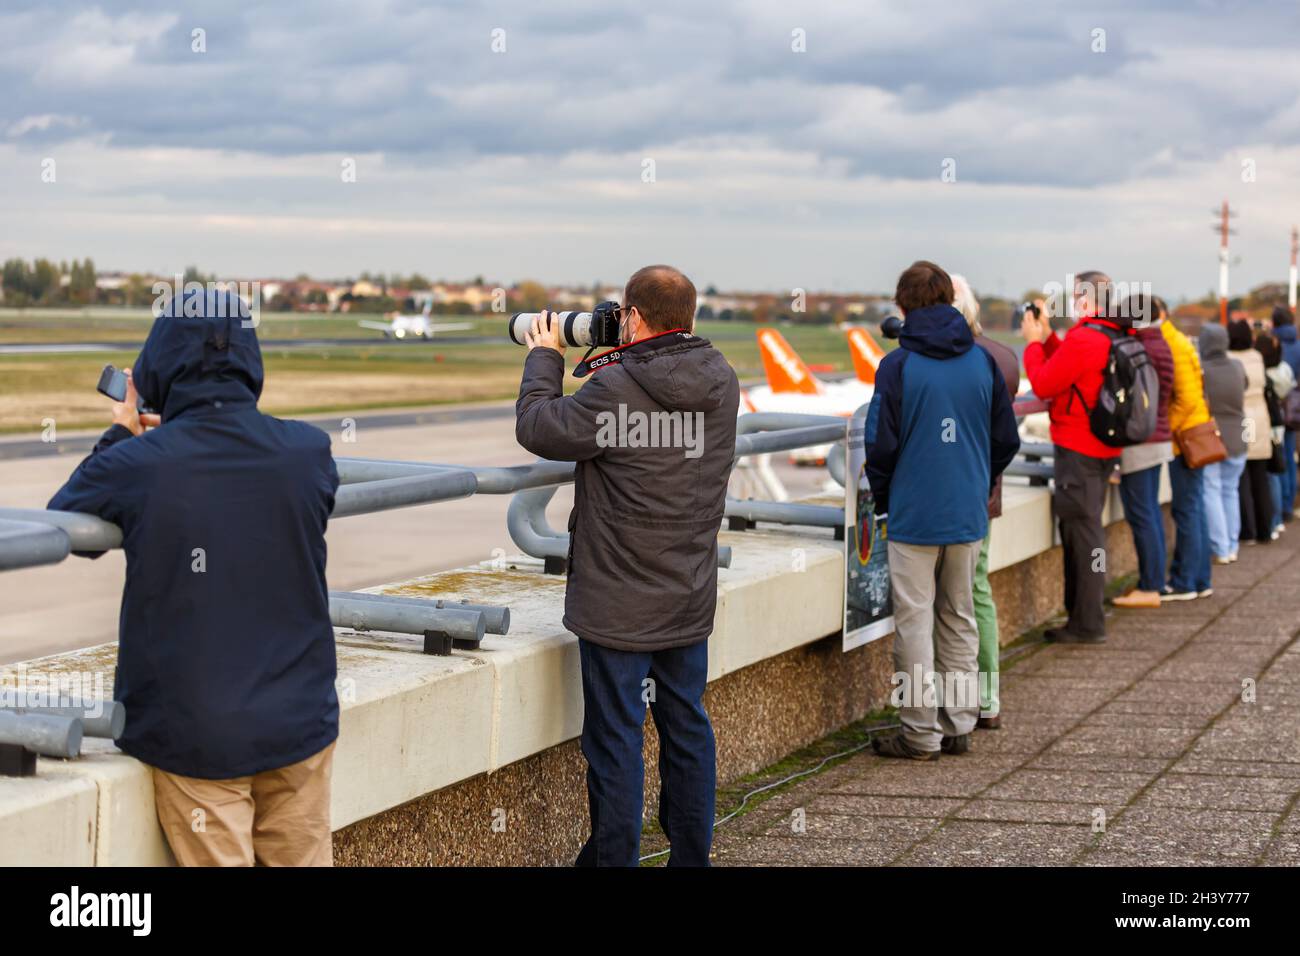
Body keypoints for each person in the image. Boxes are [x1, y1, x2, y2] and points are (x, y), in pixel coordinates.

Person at [48, 289, 340, 866]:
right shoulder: (309, 451)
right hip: (301, 723)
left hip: (198, 734)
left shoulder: (140, 464)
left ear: (159, 365)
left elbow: (65, 516)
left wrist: (126, 428)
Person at [515, 265, 739, 866]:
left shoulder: (615, 389)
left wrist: (546, 356)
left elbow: (539, 426)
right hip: (687, 591)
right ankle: (691, 858)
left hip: (618, 600)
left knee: (615, 741)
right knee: (685, 728)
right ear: (689, 318)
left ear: (632, 318)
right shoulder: (721, 376)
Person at [865, 262, 1020, 760]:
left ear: (903, 306)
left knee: (914, 622)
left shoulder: (898, 367)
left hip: (914, 513)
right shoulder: (982, 361)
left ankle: (919, 733)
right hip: (967, 513)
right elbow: (1006, 440)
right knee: (959, 618)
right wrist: (974, 479)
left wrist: (890, 494)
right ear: (950, 301)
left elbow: (879, 446)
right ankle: (958, 724)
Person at [1020, 271, 1123, 644]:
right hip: (1104, 447)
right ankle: (1086, 616)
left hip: (1079, 448)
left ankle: (1087, 623)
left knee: (1084, 535)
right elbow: (1068, 367)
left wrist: (1032, 344)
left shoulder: (1084, 338)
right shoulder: (1110, 332)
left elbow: (1045, 384)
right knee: (1088, 530)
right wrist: (1048, 338)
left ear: (1083, 297)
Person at [951, 274, 1020, 730]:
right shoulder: (1004, 357)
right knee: (978, 591)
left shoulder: (956, 359)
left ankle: (952, 699)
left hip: (946, 500)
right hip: (985, 492)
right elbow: (1003, 437)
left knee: (948, 601)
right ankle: (987, 696)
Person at [1112, 293, 1174, 608]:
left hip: (1142, 442)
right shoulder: (1159, 342)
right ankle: (1155, 582)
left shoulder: (1142, 348)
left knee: (1142, 514)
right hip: (1159, 437)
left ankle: (1151, 586)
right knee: (1149, 511)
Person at [1158, 297, 1214, 601]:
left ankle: (1186, 581)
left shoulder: (1173, 345)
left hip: (1185, 440)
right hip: (1193, 435)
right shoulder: (1178, 340)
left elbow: (1188, 399)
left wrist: (1166, 431)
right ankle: (1200, 578)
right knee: (1195, 507)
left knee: (1187, 509)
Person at [1199, 322, 1248, 564]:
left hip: (1212, 438)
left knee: (1211, 491)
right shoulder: (1238, 367)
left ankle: (1220, 547)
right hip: (1239, 436)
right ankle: (1232, 544)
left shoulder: (1202, 370)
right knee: (1231, 491)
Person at [1229, 319, 1273, 545]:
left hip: (1243, 418)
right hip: (1260, 416)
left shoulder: (1231, 360)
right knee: (1260, 476)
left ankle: (1248, 530)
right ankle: (1266, 528)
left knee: (1241, 476)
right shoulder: (1257, 357)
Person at [1258, 331, 1294, 538]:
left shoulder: (1262, 372)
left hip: (1263, 424)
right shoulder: (1284, 369)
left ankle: (1273, 520)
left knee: (1269, 474)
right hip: (1280, 421)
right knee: (1281, 466)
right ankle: (1281, 514)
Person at [1274, 306, 1300, 518]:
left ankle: (1281, 506)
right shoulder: (1298, 346)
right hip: (1295, 409)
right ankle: (1289, 503)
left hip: (1275, 409)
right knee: (1290, 455)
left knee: (1276, 456)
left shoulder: (1272, 345)